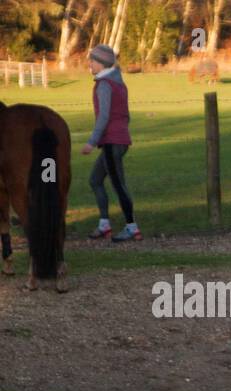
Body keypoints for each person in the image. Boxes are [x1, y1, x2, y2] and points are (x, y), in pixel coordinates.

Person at [81, 44, 141, 242]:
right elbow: (127, 115)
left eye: (92, 60)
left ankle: (132, 228)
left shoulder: (106, 84)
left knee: (118, 185)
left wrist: (92, 141)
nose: (89, 63)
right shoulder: (118, 82)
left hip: (112, 142)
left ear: (101, 63)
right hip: (117, 140)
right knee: (95, 180)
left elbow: (104, 116)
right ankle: (104, 225)